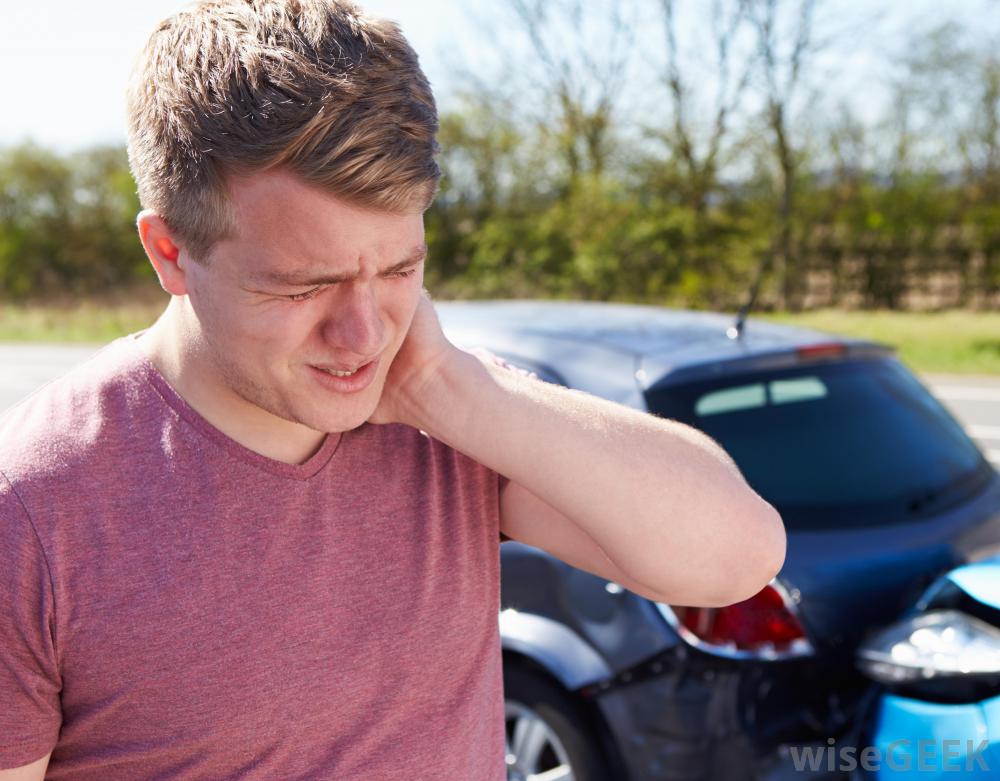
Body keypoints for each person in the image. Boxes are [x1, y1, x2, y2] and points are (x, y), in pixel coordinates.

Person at [0, 1, 786, 778]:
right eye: (304, 286)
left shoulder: (444, 415)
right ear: (170, 251)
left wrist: (452, 390)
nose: (366, 336)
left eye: (399, 270)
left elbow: (736, 558)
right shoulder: (34, 505)